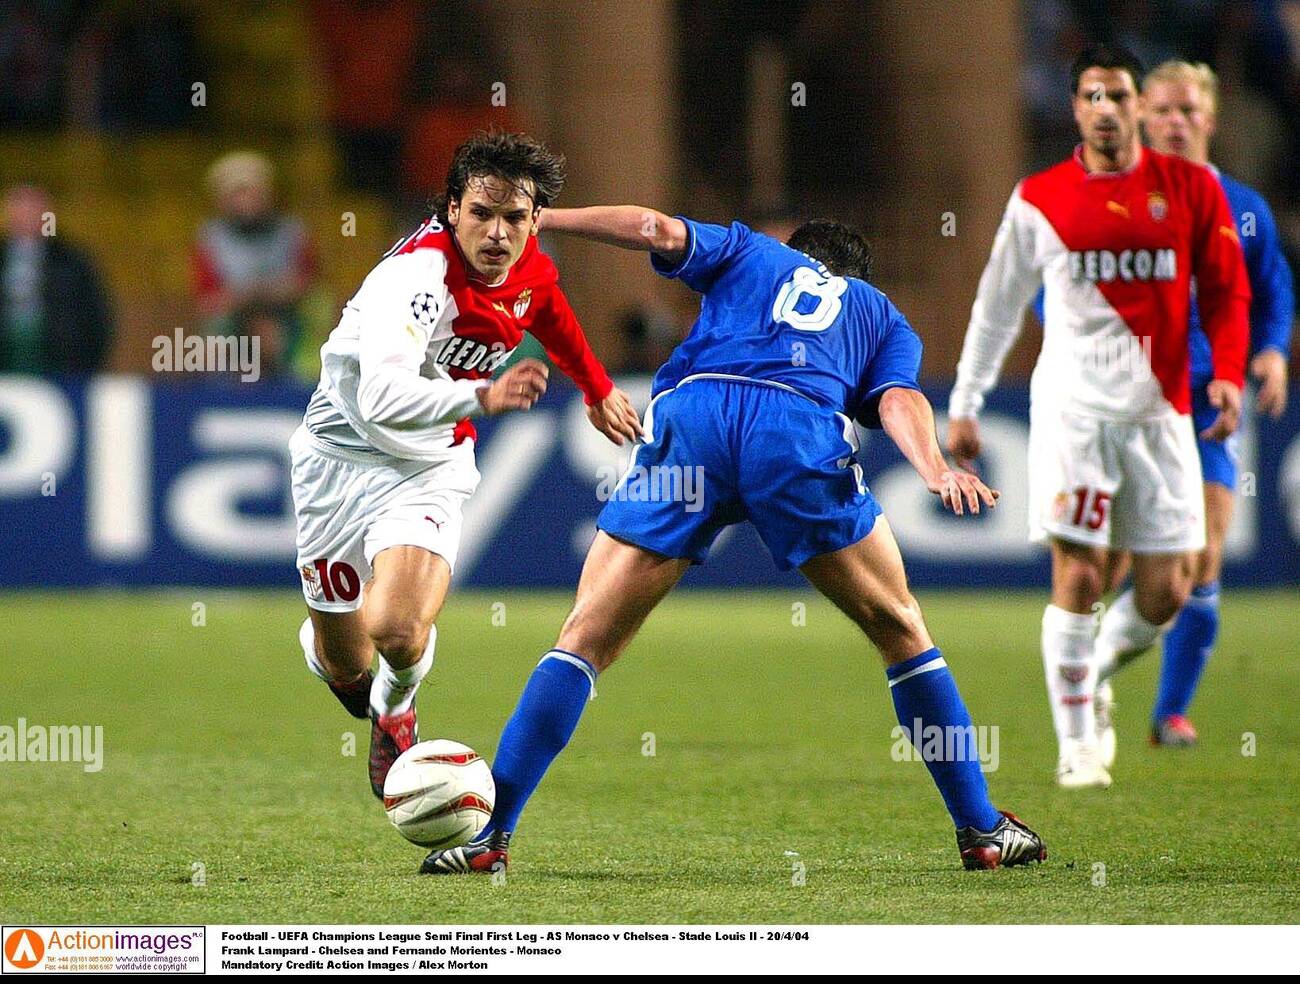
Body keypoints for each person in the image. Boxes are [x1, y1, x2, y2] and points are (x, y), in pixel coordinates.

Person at [421, 208, 1048, 876]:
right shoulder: (880, 313)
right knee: (900, 628)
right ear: (856, 278)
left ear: (795, 252)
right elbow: (897, 400)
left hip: (695, 422)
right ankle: (981, 829)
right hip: (794, 431)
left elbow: (655, 229)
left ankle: (491, 838)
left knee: (583, 638)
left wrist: (550, 218)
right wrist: (935, 469)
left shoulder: (751, 251)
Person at [291, 131, 642, 798]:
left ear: (535, 220)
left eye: (515, 217)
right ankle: (340, 663)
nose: (499, 233)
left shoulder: (530, 265)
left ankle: (396, 714)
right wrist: (484, 394)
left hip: (429, 462)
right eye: (482, 212)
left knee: (396, 628)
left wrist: (597, 388)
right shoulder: (416, 277)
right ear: (452, 209)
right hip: (338, 457)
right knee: (345, 662)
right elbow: (383, 397)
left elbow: (548, 309)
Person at [945, 45, 1250, 789]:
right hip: (1073, 415)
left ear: (1139, 106)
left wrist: (1232, 375)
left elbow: (1227, 290)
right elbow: (997, 305)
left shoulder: (1191, 188)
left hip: (1161, 414)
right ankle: (1078, 746)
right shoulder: (1039, 199)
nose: (1106, 109)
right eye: (1092, 96)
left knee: (1168, 592)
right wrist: (965, 401)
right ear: (1075, 108)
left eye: (1118, 95)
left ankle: (1092, 671)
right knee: (1079, 572)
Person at [1089, 61, 1294, 749]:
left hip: (1209, 400)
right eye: (1164, 110)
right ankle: (1088, 671)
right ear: (1144, 116)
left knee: (1200, 561)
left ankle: (1160, 708)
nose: (1176, 121)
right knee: (1114, 558)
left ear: (1209, 118)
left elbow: (1271, 295)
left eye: (1189, 110)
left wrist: (1270, 351)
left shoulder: (1243, 210)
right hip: (1126, 399)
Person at [193, 152, 319, 378]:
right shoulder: (211, 238)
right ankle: (219, 384)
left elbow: (307, 284)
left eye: (253, 192)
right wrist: (244, 300)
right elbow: (208, 299)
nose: (247, 201)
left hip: (285, 315)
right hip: (233, 320)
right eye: (238, 194)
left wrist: (269, 295)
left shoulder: (292, 233)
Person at [0, 184, 114, 374]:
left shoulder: (71, 260)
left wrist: (84, 366)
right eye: (20, 207)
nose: (26, 215)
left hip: (59, 366)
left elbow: (97, 317)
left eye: (33, 208)